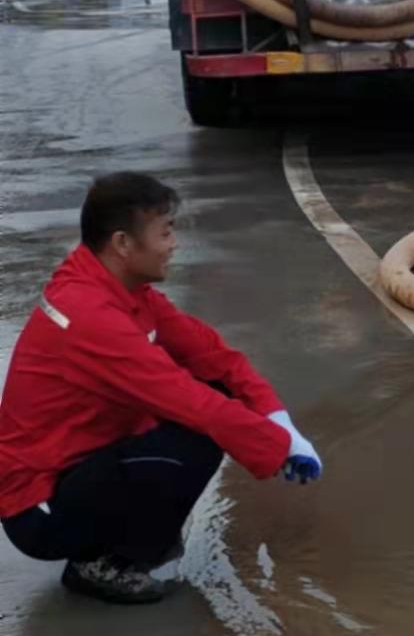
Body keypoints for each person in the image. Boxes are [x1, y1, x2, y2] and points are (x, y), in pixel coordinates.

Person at [0, 173, 322, 604]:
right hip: (39, 509)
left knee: (215, 392)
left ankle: (128, 536)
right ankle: (100, 565)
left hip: (79, 465)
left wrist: (278, 420)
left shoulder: (118, 288)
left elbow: (214, 355)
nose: (174, 244)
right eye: (165, 232)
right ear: (123, 243)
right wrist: (277, 446)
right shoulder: (89, 314)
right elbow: (186, 399)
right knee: (196, 435)